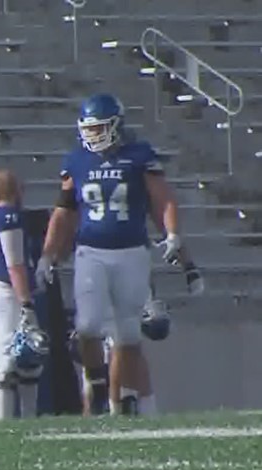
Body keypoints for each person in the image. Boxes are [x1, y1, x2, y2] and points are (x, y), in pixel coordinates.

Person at [38, 93, 187, 416]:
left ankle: (121, 402)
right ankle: (97, 383)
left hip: (132, 252)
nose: (93, 135)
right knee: (87, 325)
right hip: (91, 251)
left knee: (127, 334)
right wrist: (49, 253)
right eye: (89, 129)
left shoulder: (139, 155)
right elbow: (63, 212)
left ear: (116, 126)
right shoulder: (77, 160)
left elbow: (163, 199)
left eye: (99, 128)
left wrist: (172, 233)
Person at [0, 170, 47, 420]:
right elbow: (15, 264)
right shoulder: (8, 217)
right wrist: (26, 302)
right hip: (7, 292)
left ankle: (6, 418)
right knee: (9, 363)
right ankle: (6, 422)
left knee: (11, 358)